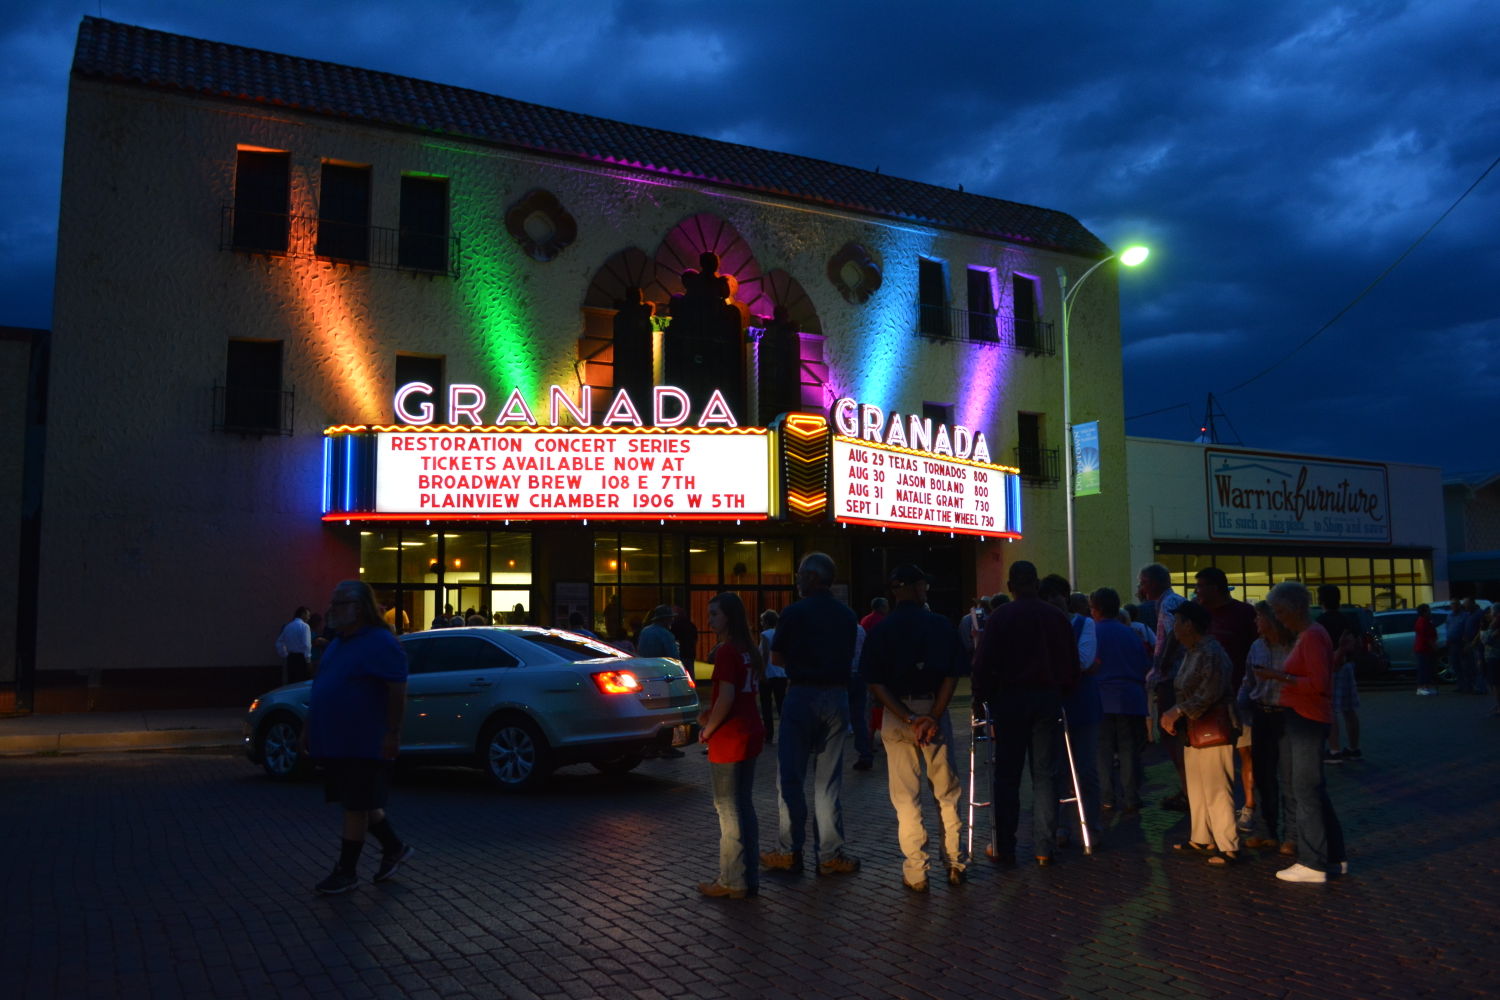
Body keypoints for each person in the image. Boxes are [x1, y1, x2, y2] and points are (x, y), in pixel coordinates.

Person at [301, 580, 412, 894]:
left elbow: (397, 690)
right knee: (359, 802)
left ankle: (346, 871)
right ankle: (394, 847)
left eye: (340, 603)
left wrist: (392, 733)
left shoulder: (380, 642)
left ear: (360, 607)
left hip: (364, 739)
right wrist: (309, 727)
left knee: (354, 804)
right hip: (336, 738)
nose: (332, 609)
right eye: (333, 602)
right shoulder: (339, 642)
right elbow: (322, 686)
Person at [863, 565, 966, 891]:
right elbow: (952, 674)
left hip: (898, 714)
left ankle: (917, 871)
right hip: (933, 706)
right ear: (917, 587)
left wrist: (908, 717)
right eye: (924, 585)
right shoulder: (939, 624)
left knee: (906, 796)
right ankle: (955, 861)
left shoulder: (881, 630)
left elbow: (875, 683)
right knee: (947, 792)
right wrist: (932, 716)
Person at [971, 560, 1080, 867]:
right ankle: (1044, 846)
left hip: (1010, 700)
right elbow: (1071, 664)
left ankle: (1005, 845)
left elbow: (983, 663)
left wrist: (981, 698)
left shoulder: (1001, 616)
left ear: (1011, 586)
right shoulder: (1056, 617)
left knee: (1007, 775)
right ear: (1037, 582)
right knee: (1045, 775)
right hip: (1047, 698)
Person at [762, 552, 861, 876]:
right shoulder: (847, 615)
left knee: (790, 776)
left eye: (801, 573)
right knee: (828, 781)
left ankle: (789, 850)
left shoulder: (794, 612)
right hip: (836, 695)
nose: (797, 578)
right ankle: (830, 854)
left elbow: (777, 656)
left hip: (802, 692)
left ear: (813, 578)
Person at [1263, 581, 1347, 883]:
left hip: (1307, 718)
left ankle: (1313, 861)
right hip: (1307, 717)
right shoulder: (1311, 634)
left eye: (1280, 610)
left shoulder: (1311, 636)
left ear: (1296, 607)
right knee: (1313, 789)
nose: (1278, 616)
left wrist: (1279, 676)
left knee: (1305, 789)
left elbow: (1319, 683)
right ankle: (1334, 856)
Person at [696, 592, 766, 899]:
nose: (710, 620)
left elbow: (726, 697)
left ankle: (732, 879)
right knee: (743, 805)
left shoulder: (725, 652)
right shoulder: (748, 650)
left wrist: (708, 730)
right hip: (750, 729)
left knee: (728, 809)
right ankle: (746, 875)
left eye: (715, 614)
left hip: (730, 737)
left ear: (729, 617)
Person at [1159, 600, 1240, 866]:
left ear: (1189, 625)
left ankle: (1228, 844)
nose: (1174, 628)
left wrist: (1178, 711)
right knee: (1197, 785)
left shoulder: (1209, 652)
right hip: (1195, 728)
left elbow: (1210, 691)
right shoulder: (1194, 650)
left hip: (1211, 726)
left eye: (1178, 622)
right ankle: (1201, 835)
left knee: (1216, 785)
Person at [1194, 567, 1258, 829]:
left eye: (1200, 586)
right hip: (1210, 700)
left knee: (1246, 753)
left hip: (1240, 695)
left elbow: (1255, 651)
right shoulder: (1200, 616)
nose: (1196, 591)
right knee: (1216, 759)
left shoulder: (1243, 614)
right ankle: (1220, 811)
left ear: (1215, 587)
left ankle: (1250, 806)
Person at [1240, 601, 1296, 855]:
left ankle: (1292, 834)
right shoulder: (1256, 646)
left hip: (1286, 714)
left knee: (1288, 776)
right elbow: (1248, 680)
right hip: (1261, 713)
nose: (1255, 623)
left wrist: (1274, 676)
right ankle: (1266, 830)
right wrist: (1240, 705)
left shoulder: (1292, 645)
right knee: (1263, 775)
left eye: (1259, 617)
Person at [1047, 582, 1099, 849]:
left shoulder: (1084, 625)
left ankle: (1089, 823)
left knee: (1086, 769)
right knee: (1056, 771)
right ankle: (1062, 825)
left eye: (1056, 599)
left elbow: (1084, 660)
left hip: (1080, 706)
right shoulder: (1047, 626)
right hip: (1057, 706)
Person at [1092, 588, 1150, 818]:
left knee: (1103, 752)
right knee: (1129, 751)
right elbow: (1144, 664)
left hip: (1102, 699)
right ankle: (1131, 797)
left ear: (1095, 609)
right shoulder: (1130, 634)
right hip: (1131, 698)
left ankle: (1106, 797)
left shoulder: (1093, 633)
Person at [1139, 563, 1188, 811]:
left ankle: (1188, 791)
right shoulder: (1172, 602)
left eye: (1144, 582)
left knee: (1174, 736)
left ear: (1157, 582)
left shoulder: (1168, 604)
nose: (1141, 587)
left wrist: (1161, 669)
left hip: (1173, 679)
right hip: (1176, 676)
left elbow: (1172, 635)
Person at [637, 606, 685, 757]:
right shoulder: (666, 634)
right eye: (670, 617)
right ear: (665, 619)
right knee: (668, 712)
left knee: (652, 712)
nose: (672, 620)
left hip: (646, 676)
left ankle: (650, 747)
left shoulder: (645, 632)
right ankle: (665, 747)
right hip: (663, 677)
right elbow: (673, 658)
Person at [758, 610, 787, 743]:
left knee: (766, 704)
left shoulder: (765, 634)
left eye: (762, 620)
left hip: (768, 673)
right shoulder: (780, 633)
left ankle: (768, 734)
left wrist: (762, 671)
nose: (761, 623)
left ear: (766, 622)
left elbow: (764, 653)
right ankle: (785, 733)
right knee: (781, 704)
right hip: (781, 673)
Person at [849, 620, 874, 771]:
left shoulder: (832, 626)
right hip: (859, 674)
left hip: (841, 676)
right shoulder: (860, 629)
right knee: (859, 717)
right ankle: (865, 753)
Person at [276, 606, 313, 685]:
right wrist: (308, 661)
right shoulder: (305, 626)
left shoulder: (288, 626)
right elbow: (306, 645)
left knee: (292, 683)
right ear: (303, 614)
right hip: (301, 659)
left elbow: (279, 642)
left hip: (291, 658)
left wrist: (285, 654)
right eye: (308, 615)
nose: (309, 618)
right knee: (301, 683)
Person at [1414, 604, 1440, 695]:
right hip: (1423, 648)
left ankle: (1427, 686)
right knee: (1423, 668)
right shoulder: (1422, 622)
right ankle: (1421, 687)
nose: (1430, 612)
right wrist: (1434, 647)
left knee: (1428, 668)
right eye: (1428, 610)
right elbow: (1427, 637)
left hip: (1426, 649)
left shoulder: (1427, 621)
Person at [1480, 608, 1500, 716]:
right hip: (1492, 657)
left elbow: (1486, 640)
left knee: (1496, 683)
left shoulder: (1495, 627)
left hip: (1495, 657)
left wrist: (1491, 628)